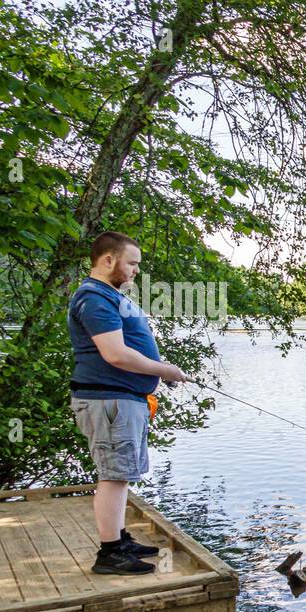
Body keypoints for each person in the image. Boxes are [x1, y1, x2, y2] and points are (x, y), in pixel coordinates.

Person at [67, 231, 190, 574]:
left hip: (123, 401)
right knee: (114, 476)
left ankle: (118, 539)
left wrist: (158, 374)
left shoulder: (108, 296)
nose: (136, 270)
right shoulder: (94, 298)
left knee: (120, 475)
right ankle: (109, 554)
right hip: (109, 401)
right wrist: (165, 370)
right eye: (132, 263)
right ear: (108, 260)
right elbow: (116, 354)